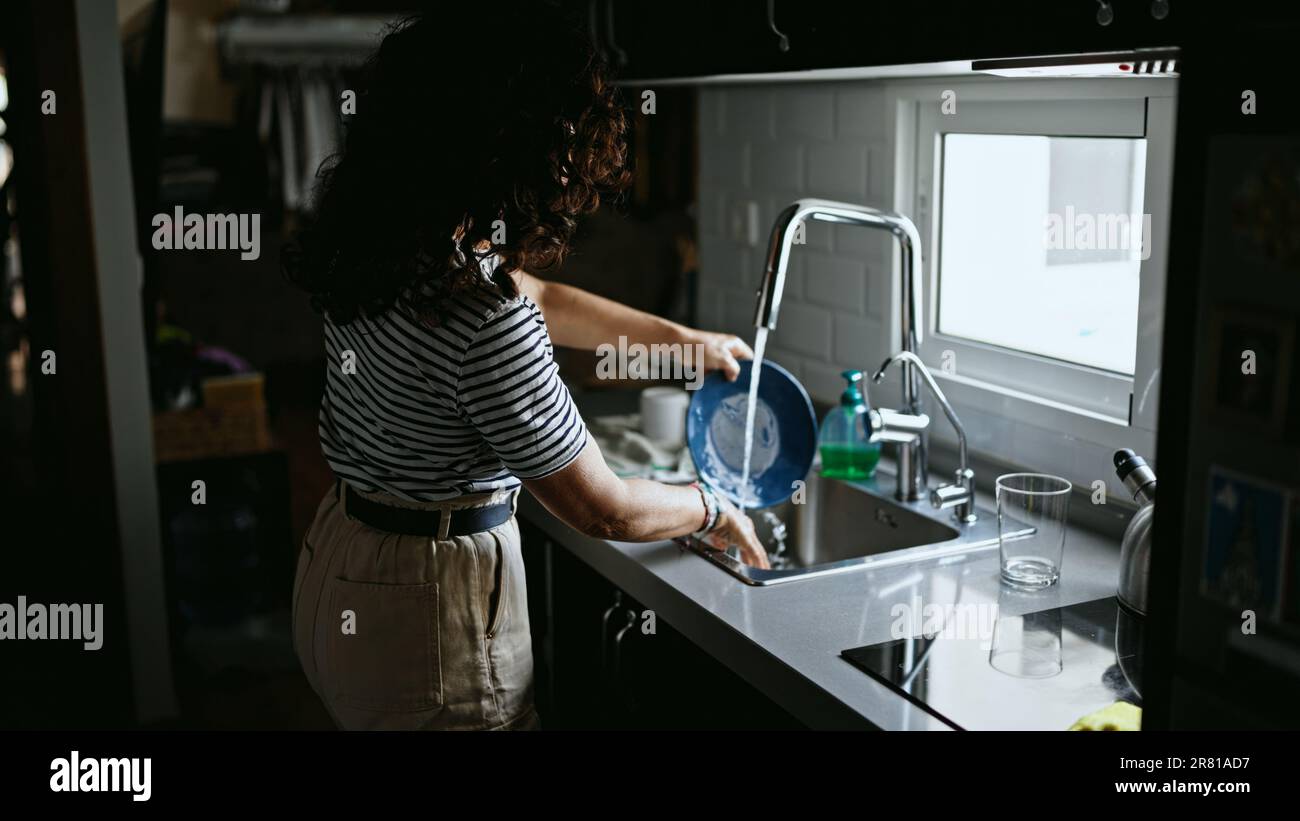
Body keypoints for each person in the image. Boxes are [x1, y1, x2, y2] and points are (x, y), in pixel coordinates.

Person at [284, 4, 768, 731]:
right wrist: (712, 504)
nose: (571, 163)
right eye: (563, 142)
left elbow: (543, 294)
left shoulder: (385, 246)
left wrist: (682, 341)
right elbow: (603, 507)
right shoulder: (483, 316)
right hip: (428, 611)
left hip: (340, 563)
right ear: (506, 148)